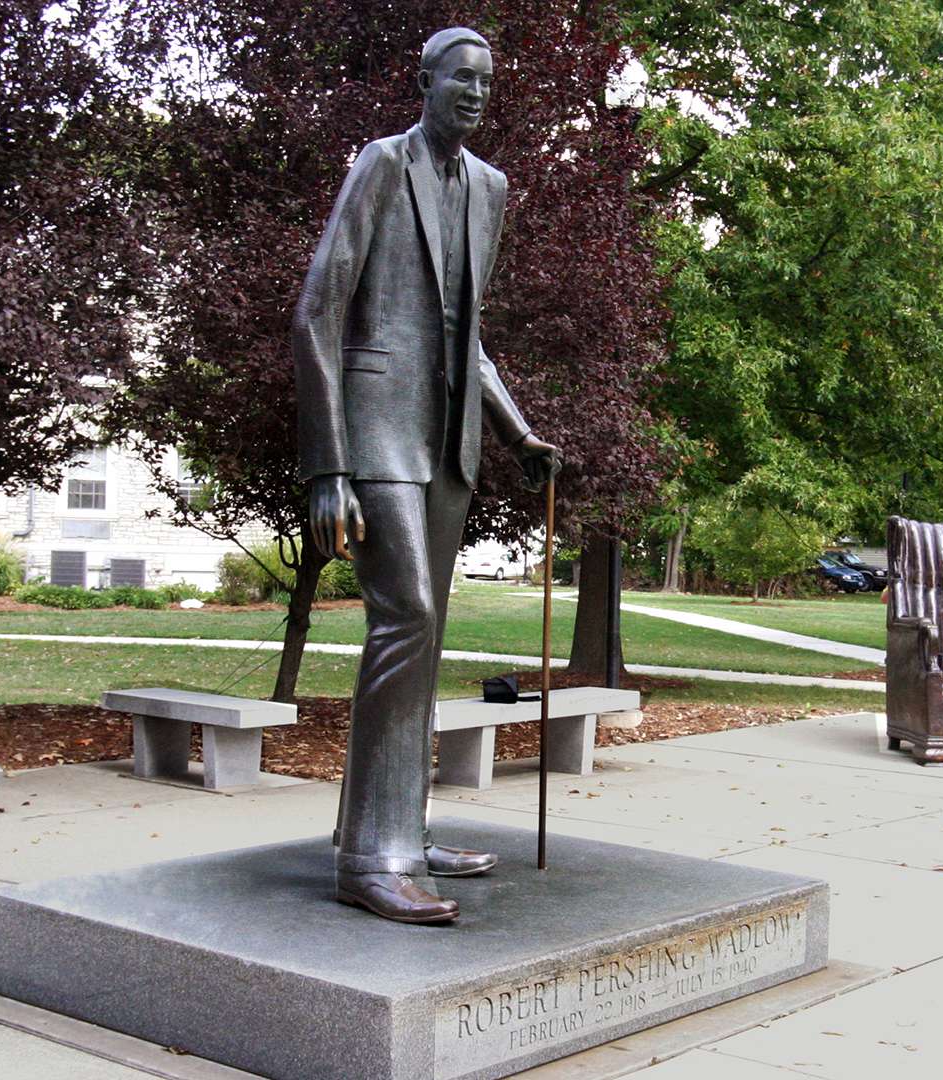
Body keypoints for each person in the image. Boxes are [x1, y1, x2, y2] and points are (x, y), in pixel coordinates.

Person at [291, 27, 562, 924]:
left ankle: (393, 824)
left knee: (427, 633)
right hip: (373, 433)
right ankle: (372, 859)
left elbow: (466, 334)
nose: (477, 93)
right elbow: (317, 314)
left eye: (489, 81)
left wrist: (517, 433)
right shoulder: (380, 164)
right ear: (425, 82)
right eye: (461, 78)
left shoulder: (490, 188)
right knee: (403, 618)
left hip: (447, 444)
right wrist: (328, 463)